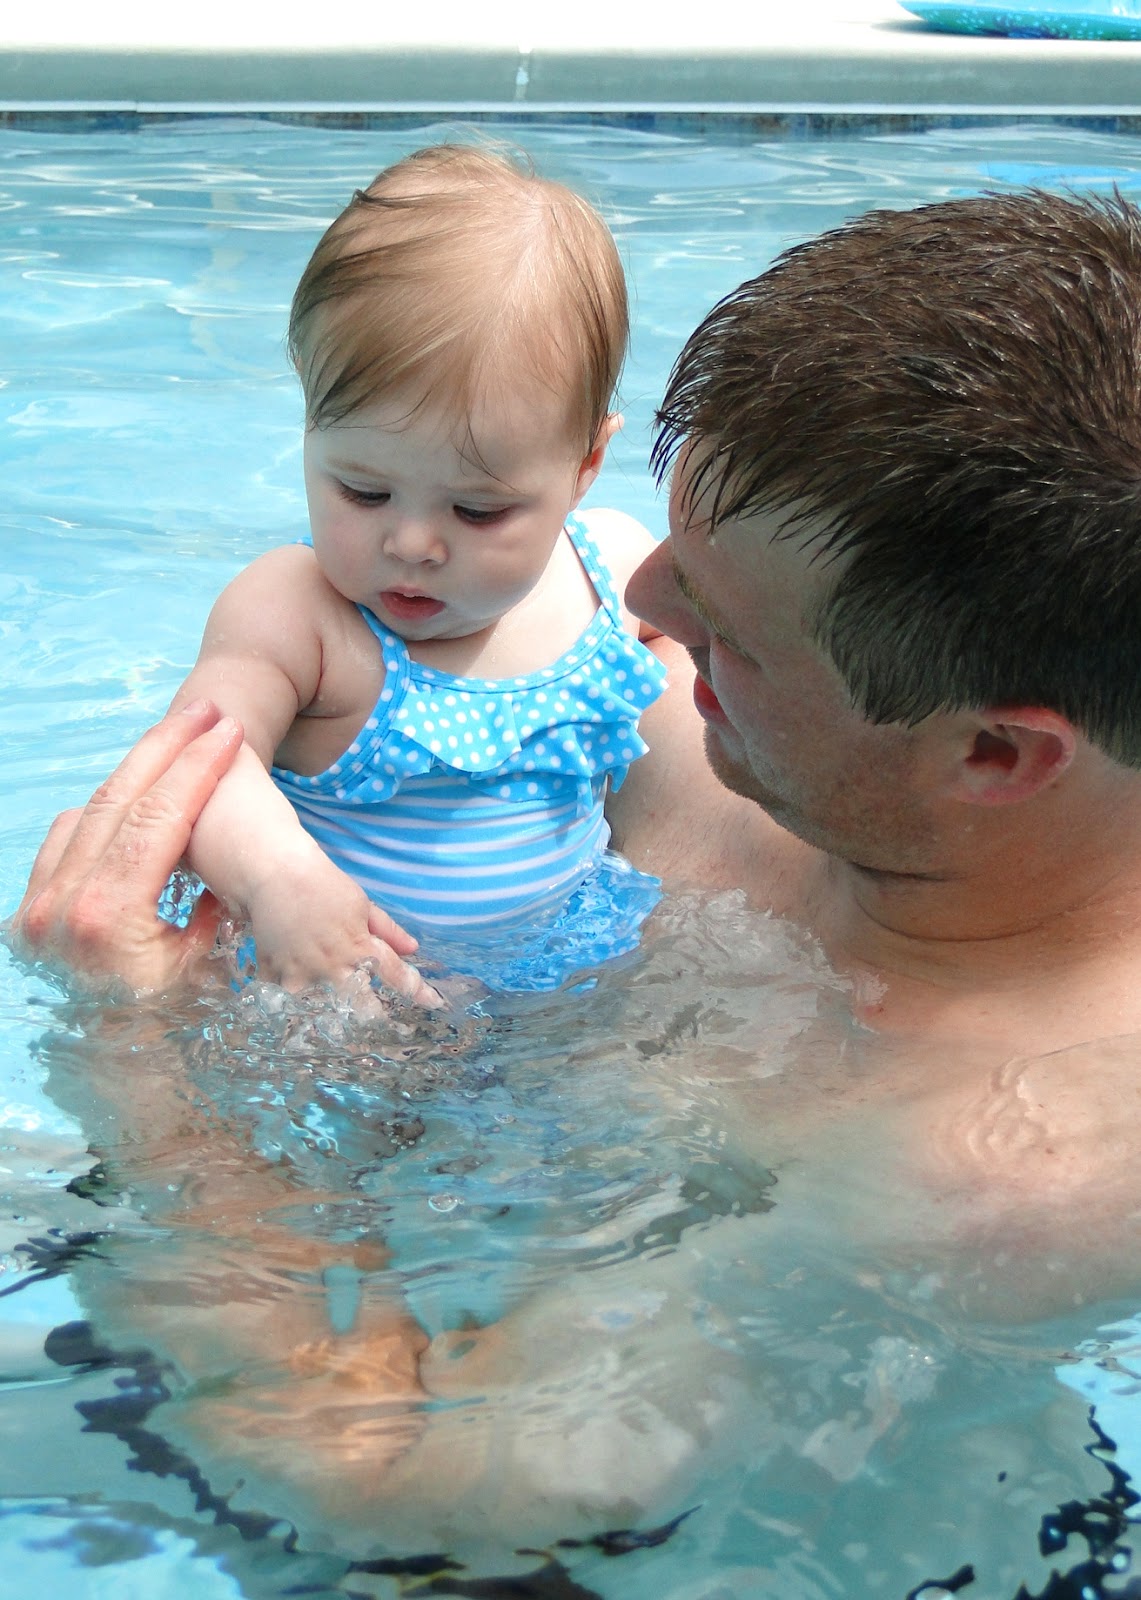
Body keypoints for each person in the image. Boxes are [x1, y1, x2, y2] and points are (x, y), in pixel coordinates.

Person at [10, 186, 1141, 1551]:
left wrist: (142, 1076)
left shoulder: (988, 1172)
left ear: (997, 757)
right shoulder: (721, 735)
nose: (639, 608)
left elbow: (393, 1498)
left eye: (729, 629)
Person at [158, 143, 665, 996]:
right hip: (360, 993)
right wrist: (278, 877)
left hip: (569, 977)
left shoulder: (607, 566)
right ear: (310, 436)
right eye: (363, 490)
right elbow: (194, 761)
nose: (414, 543)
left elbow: (746, 637)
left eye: (478, 510)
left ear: (584, 467)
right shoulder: (299, 613)